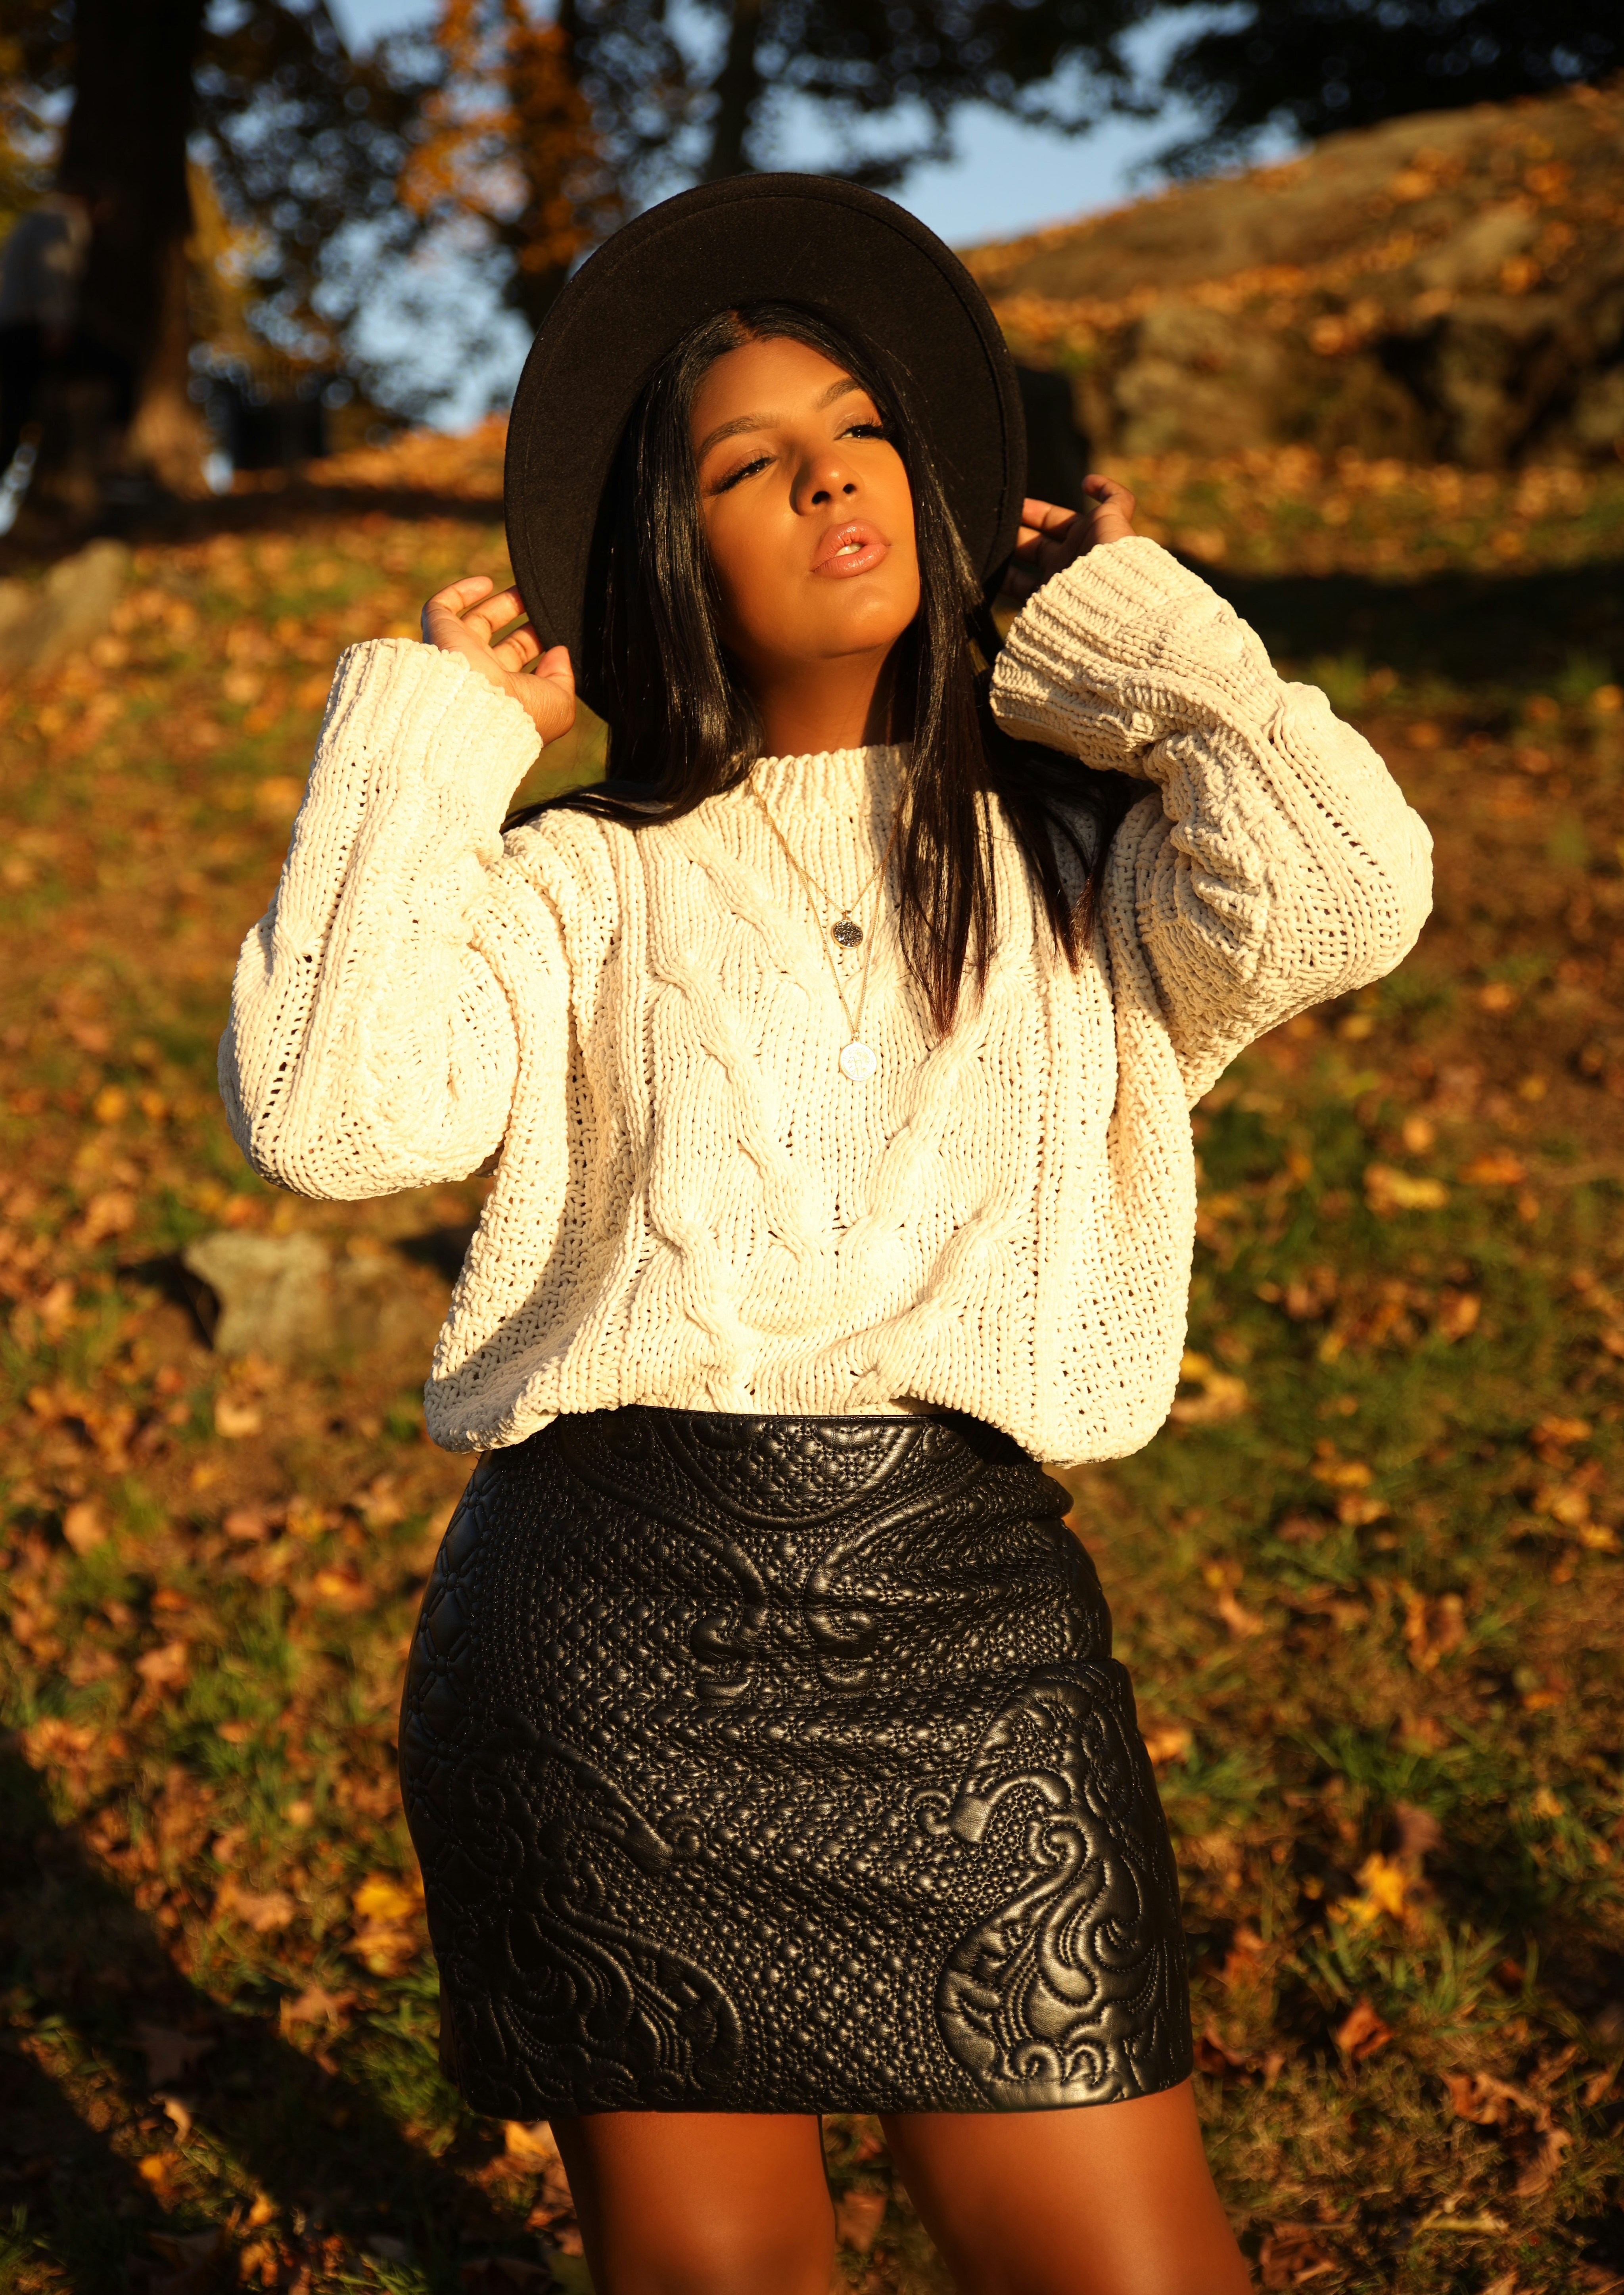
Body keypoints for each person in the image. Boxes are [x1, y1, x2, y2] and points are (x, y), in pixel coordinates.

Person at [219, 176, 1431, 2295]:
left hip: (975, 1636)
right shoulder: (578, 886)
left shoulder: (1087, 871)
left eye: (862, 429)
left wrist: (1136, 644)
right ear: (667, 552)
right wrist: (433, 750)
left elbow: (1348, 894)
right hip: (605, 1652)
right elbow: (329, 1113)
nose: (827, 475)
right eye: (745, 464)